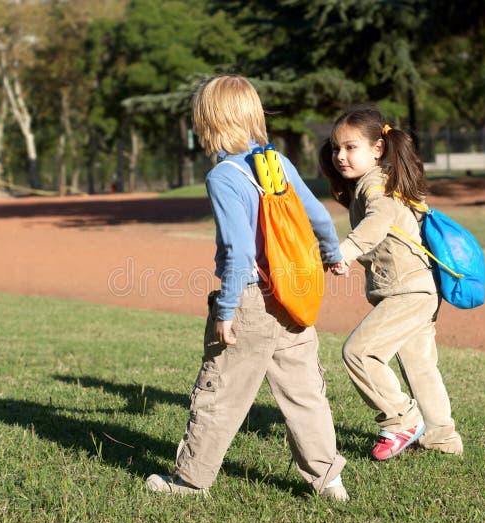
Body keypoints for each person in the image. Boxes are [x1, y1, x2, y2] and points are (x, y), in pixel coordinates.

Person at [146, 74, 349, 500]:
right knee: (305, 393)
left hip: (251, 300)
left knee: (220, 391)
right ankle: (329, 481)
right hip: (292, 295)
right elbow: (319, 216)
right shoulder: (277, 163)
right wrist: (332, 254)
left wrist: (225, 311)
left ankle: (191, 481)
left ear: (208, 122)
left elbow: (238, 253)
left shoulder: (224, 176)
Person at [319, 107, 463, 460]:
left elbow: (378, 221)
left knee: (360, 352)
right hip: (419, 288)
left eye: (351, 147)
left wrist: (344, 253)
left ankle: (402, 420)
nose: (340, 156)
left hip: (408, 292)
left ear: (378, 149)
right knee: (419, 366)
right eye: (336, 148)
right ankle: (442, 438)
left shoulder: (377, 184)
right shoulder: (384, 180)